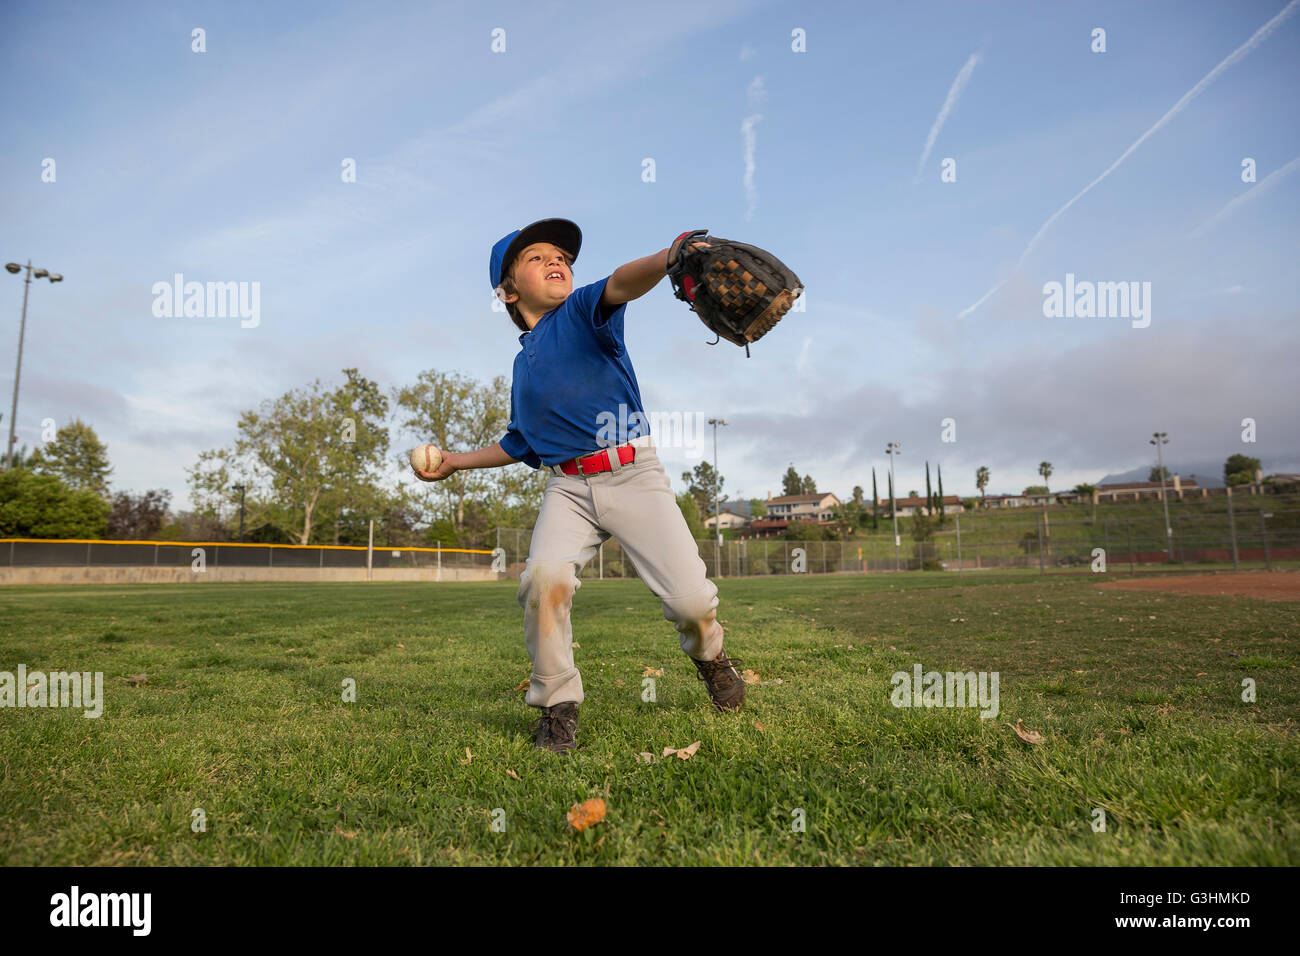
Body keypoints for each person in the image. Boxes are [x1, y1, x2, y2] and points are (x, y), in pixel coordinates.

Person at [414, 218, 744, 752]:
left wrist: (671, 256)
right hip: (567, 488)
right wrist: (454, 462)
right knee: (543, 580)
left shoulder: (582, 314)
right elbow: (520, 441)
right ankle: (556, 706)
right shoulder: (524, 365)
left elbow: (620, 282)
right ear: (508, 290)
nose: (556, 261)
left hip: (633, 472)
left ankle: (711, 657)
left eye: (562, 256)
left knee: (689, 601)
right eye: (536, 257)